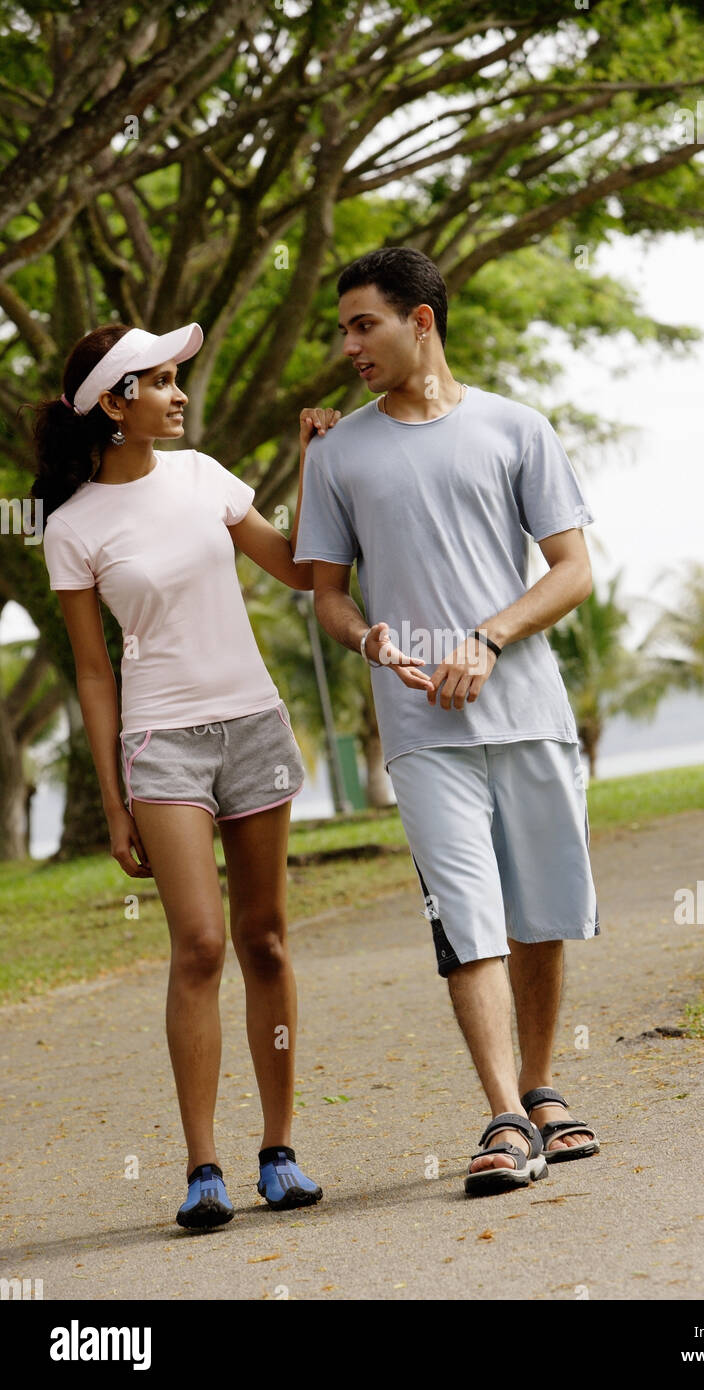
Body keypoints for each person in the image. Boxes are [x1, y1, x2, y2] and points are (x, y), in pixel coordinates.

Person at [295, 247, 601, 1197]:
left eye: (364, 325)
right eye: (343, 328)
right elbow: (327, 597)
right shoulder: (336, 452)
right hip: (421, 732)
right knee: (467, 919)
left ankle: (543, 1091)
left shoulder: (516, 428)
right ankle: (504, 1114)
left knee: (541, 911)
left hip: (528, 712)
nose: (349, 344)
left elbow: (573, 569)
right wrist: (367, 643)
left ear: (420, 320)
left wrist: (491, 636)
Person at [32, 321, 334, 1227]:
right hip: (161, 742)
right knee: (200, 944)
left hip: (253, 724)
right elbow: (93, 670)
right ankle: (204, 1167)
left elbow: (296, 568)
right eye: (159, 381)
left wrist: (310, 463)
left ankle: (278, 1150)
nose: (178, 393)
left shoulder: (206, 477)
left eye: (177, 378)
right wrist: (115, 800)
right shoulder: (73, 527)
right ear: (114, 405)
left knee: (267, 941)